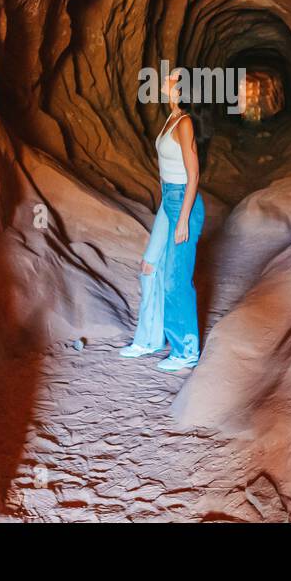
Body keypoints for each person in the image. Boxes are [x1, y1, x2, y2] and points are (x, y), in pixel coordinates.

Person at [119, 68, 210, 371]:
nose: (164, 82)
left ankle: (186, 350)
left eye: (171, 80)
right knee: (149, 267)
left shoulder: (184, 124)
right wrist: (166, 208)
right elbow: (165, 171)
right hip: (167, 202)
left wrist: (182, 219)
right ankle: (149, 339)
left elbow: (194, 174)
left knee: (175, 281)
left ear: (181, 89)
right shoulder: (170, 119)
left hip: (184, 204)